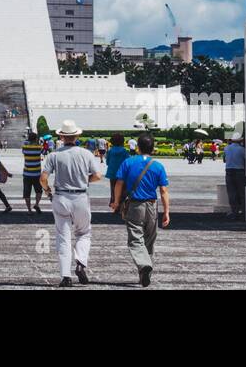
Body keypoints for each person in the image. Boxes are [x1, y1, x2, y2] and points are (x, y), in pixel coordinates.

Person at [39, 120, 102, 287]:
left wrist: (48, 192)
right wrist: (84, 180)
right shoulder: (86, 154)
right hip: (80, 197)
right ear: (77, 136)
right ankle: (80, 263)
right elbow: (97, 176)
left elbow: (43, 179)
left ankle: (65, 276)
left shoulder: (54, 155)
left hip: (61, 197)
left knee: (63, 237)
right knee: (84, 233)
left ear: (61, 136)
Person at [109, 134, 170, 287]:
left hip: (134, 205)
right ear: (153, 148)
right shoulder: (158, 165)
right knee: (149, 239)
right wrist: (167, 212)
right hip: (151, 205)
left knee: (135, 239)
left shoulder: (128, 162)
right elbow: (163, 190)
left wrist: (116, 202)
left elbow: (119, 183)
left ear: (138, 147)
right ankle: (146, 271)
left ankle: (143, 266)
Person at [21, 130, 45, 214]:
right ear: (36, 139)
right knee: (39, 191)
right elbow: (43, 150)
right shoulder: (39, 148)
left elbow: (24, 145)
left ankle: (29, 210)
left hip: (27, 173)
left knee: (27, 193)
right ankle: (37, 204)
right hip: (37, 173)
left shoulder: (25, 147)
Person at [223, 133, 246, 218]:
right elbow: (245, 160)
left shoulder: (226, 148)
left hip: (229, 171)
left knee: (231, 192)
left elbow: (224, 160)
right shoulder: (242, 149)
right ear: (240, 141)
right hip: (239, 171)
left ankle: (234, 211)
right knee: (241, 192)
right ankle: (243, 211)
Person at [104, 133, 130, 202]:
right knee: (123, 190)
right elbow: (128, 162)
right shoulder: (124, 151)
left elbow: (107, 162)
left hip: (112, 173)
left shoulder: (110, 151)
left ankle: (114, 203)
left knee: (113, 189)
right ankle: (121, 204)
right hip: (122, 174)